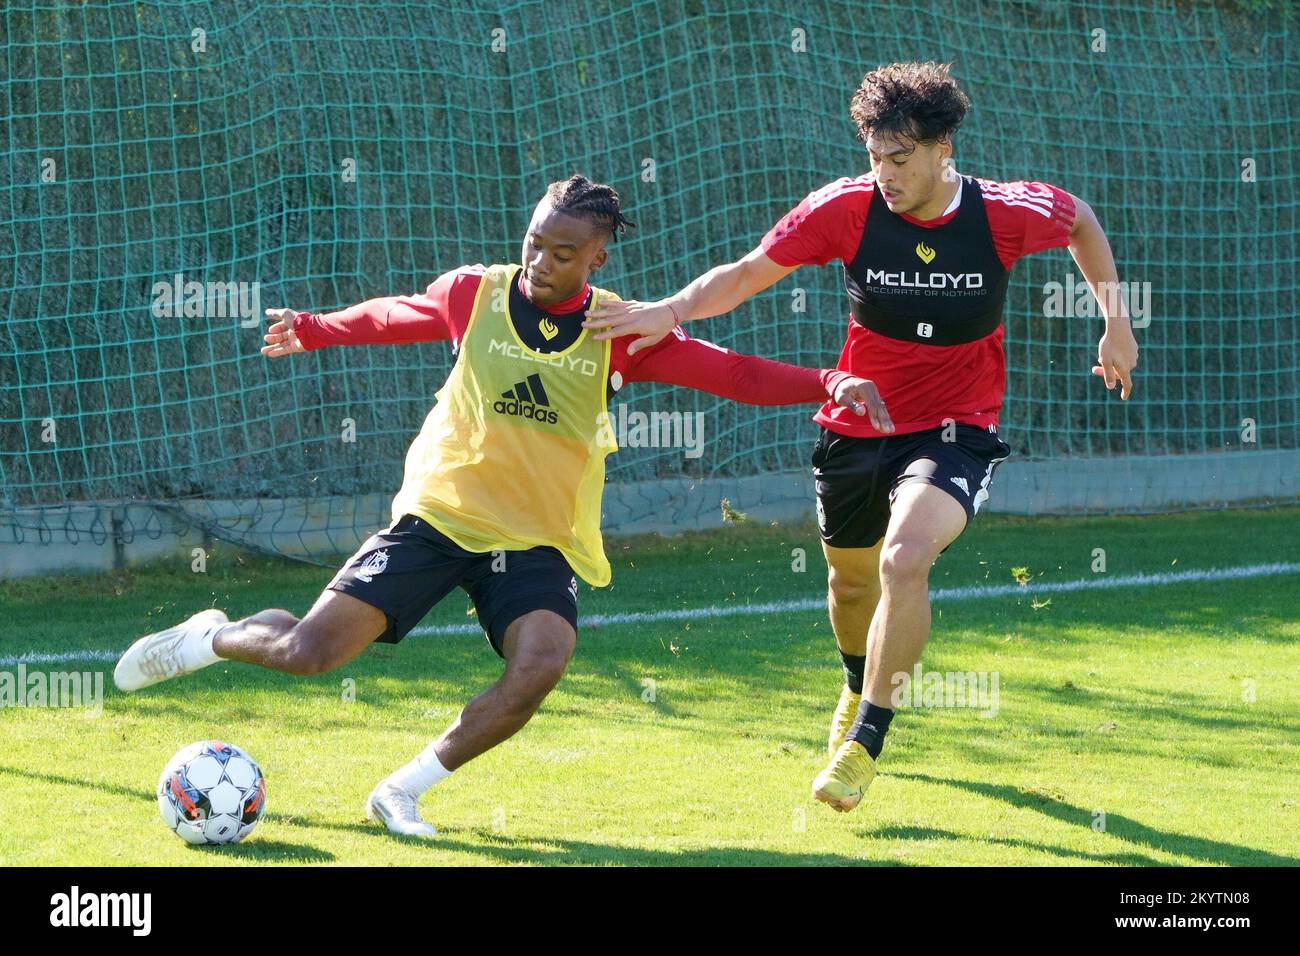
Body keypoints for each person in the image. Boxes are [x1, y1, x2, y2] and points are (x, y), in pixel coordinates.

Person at [113, 173, 883, 836]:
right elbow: (395, 316)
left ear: (597, 258)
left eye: (562, 251)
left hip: (536, 543)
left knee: (542, 660)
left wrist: (826, 382)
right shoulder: (474, 294)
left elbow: (734, 373)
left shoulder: (619, 329)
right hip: (438, 518)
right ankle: (212, 639)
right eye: (535, 241)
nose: (540, 260)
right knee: (308, 655)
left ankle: (401, 790)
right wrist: (314, 329)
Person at [582, 62, 1140, 812]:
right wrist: (671, 310)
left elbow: (1079, 220)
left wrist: (1115, 321)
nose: (883, 174)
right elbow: (747, 273)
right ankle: (856, 683)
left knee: (904, 560)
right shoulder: (845, 207)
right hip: (859, 423)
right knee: (849, 581)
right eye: (875, 156)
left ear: (944, 149)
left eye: (900, 159)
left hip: (957, 428)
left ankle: (865, 742)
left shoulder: (1003, 212)